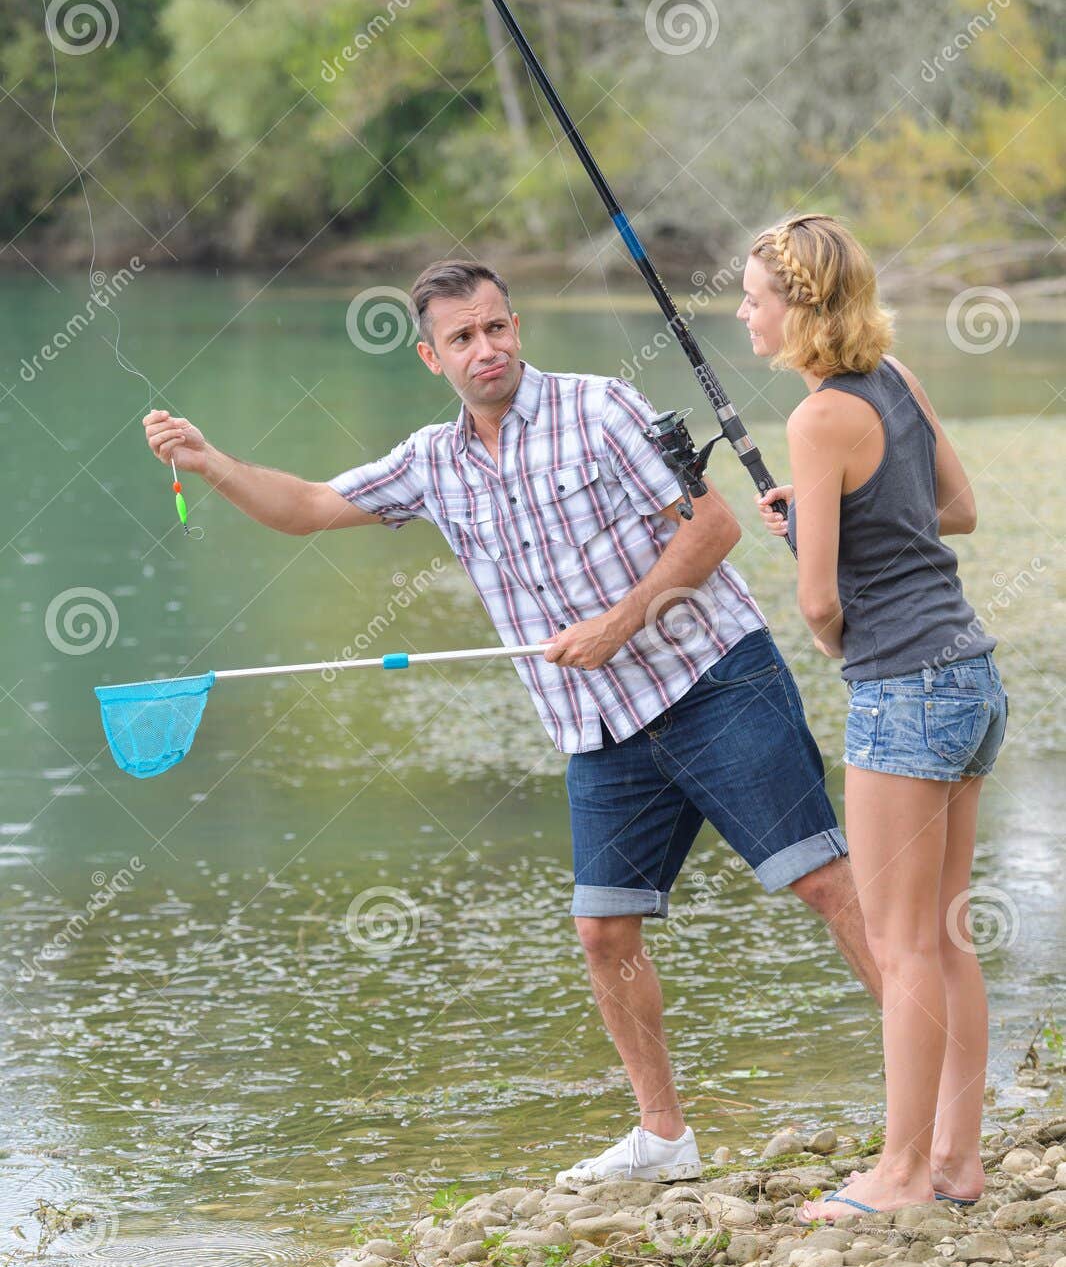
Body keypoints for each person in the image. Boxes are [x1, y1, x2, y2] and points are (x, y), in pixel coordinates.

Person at [143, 256, 880, 1191]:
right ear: (432, 357)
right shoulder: (431, 462)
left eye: (496, 327)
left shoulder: (599, 408)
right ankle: (664, 1139)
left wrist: (618, 623)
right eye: (462, 337)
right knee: (604, 933)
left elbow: (713, 528)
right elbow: (311, 508)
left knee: (825, 883)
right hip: (600, 727)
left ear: (516, 327)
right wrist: (211, 464)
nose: (484, 348)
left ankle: (939, 1095)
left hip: (713, 680)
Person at [740, 214, 1007, 1219]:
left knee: (900, 947)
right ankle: (955, 1162)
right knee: (943, 934)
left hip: (905, 691)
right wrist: (834, 511)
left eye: (754, 299)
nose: (743, 314)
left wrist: (836, 639)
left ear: (800, 306)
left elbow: (818, 602)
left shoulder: (818, 419)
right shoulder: (896, 380)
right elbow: (956, 509)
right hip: (971, 675)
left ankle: (897, 1175)